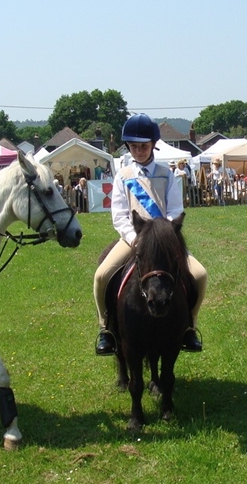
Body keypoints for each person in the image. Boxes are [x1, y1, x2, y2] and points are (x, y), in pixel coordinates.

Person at [93, 114, 206, 355]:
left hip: (164, 241)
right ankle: (105, 329)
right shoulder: (123, 176)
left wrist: (163, 236)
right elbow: (120, 215)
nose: (139, 151)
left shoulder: (167, 175)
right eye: (134, 147)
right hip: (134, 239)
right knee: (102, 275)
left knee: (200, 275)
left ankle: (190, 327)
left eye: (143, 146)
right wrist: (137, 240)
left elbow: (175, 209)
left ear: (153, 144)